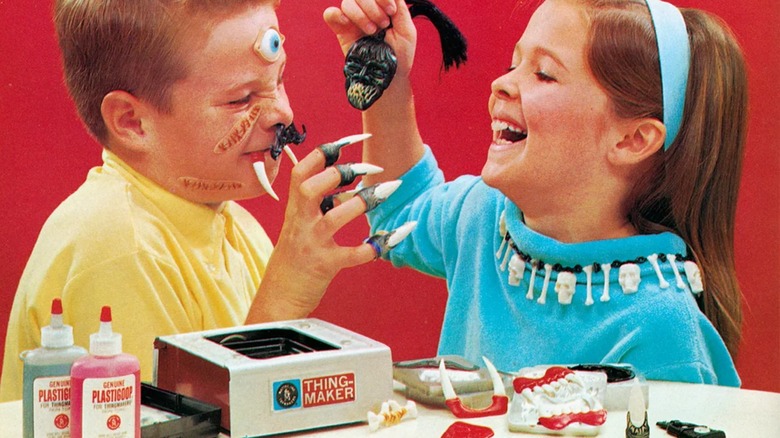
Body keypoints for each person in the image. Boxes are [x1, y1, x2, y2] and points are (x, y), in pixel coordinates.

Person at [324, 0, 747, 385]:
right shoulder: (484, 215)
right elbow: (399, 211)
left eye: (544, 73)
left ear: (632, 139)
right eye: (514, 64)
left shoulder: (660, 330)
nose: (501, 85)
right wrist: (387, 78)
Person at [0, 0, 385, 401]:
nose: (283, 114)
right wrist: (284, 296)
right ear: (132, 122)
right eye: (240, 100)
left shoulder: (237, 228)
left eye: (280, 80)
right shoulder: (118, 246)